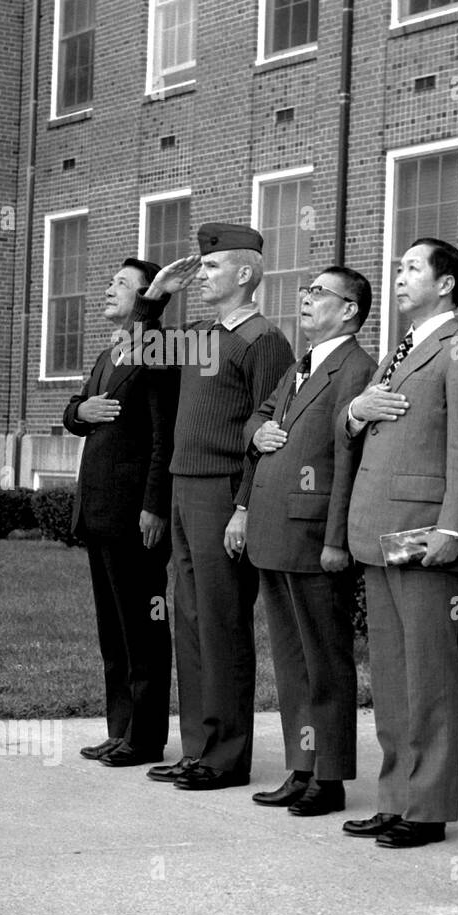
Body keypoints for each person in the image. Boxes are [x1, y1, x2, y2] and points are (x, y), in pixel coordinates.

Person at [342, 238, 458, 848]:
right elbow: (353, 427)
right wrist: (355, 408)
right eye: (399, 268)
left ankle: (426, 808)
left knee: (428, 675)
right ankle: (394, 798)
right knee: (391, 672)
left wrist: (453, 529)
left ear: (446, 285)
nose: (399, 277)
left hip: (422, 535)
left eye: (412, 269)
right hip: (377, 534)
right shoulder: (395, 352)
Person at [144, 223, 295, 791]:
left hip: (222, 491)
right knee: (190, 621)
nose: (201, 275)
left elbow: (271, 426)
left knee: (223, 622)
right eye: (201, 267)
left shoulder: (264, 340)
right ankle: (198, 747)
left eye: (211, 267)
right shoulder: (203, 336)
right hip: (186, 486)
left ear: (246, 274)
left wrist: (244, 506)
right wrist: (156, 296)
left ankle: (227, 756)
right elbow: (140, 353)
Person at [240, 266, 377, 816]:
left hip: (315, 535)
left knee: (326, 662)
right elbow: (259, 416)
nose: (306, 298)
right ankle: (301, 768)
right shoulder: (300, 366)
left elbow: (349, 459)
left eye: (319, 292)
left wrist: (337, 537)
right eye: (307, 290)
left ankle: (330, 777)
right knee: (292, 662)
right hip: (275, 532)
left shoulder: (356, 369)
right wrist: (257, 432)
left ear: (348, 310)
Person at [66, 256, 191, 767]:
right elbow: (75, 408)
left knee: (142, 628)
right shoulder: (106, 356)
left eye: (123, 284)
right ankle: (119, 731)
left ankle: (144, 739)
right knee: (113, 634)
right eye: (111, 280)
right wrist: (80, 411)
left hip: (135, 517)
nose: (109, 289)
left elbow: (164, 436)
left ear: (143, 300)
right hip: (97, 514)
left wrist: (154, 506)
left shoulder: (155, 355)